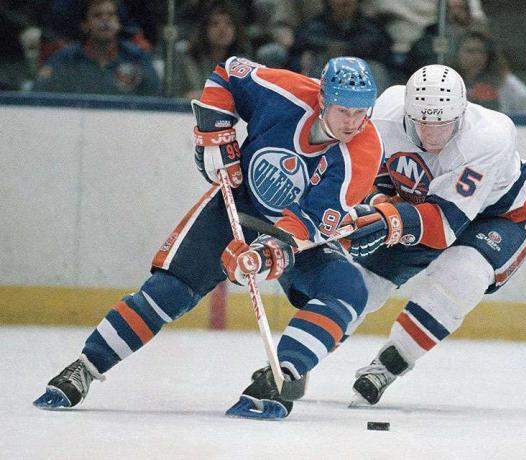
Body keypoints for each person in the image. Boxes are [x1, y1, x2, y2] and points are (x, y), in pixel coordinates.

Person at [33, 56, 384, 420]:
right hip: (240, 202)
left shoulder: (364, 151)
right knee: (168, 292)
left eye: (362, 112)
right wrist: (216, 132)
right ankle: (85, 366)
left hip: (295, 231)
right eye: (344, 111)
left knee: (349, 290)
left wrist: (265, 255)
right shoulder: (287, 92)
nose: (353, 122)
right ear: (323, 99)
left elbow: (308, 222)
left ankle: (280, 379)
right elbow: (228, 72)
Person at [338, 64, 526, 405]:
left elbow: (444, 225)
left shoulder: (490, 135)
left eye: (442, 123)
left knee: (460, 277)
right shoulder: (387, 111)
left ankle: (391, 362)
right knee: (360, 283)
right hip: (422, 205)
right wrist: (374, 201)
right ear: (407, 112)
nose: (431, 135)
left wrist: (386, 217)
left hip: (496, 216)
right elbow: (363, 175)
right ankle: (300, 357)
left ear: (461, 112)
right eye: (423, 122)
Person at [32, 0, 160, 96]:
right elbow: (38, 97)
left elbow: (156, 100)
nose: (105, 20)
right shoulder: (65, 60)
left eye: (111, 15)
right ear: (84, 25)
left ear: (119, 23)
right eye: (97, 15)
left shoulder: (137, 58)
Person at [172, 1, 253, 100]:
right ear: (204, 29)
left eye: (229, 23)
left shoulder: (243, 63)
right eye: (215, 24)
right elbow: (176, 96)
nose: (222, 29)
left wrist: (208, 95)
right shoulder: (187, 57)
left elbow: (245, 99)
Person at [451, 29, 526, 114]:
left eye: (481, 51)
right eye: (471, 51)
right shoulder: (449, 80)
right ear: (457, 53)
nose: (477, 56)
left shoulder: (503, 80)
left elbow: (523, 98)